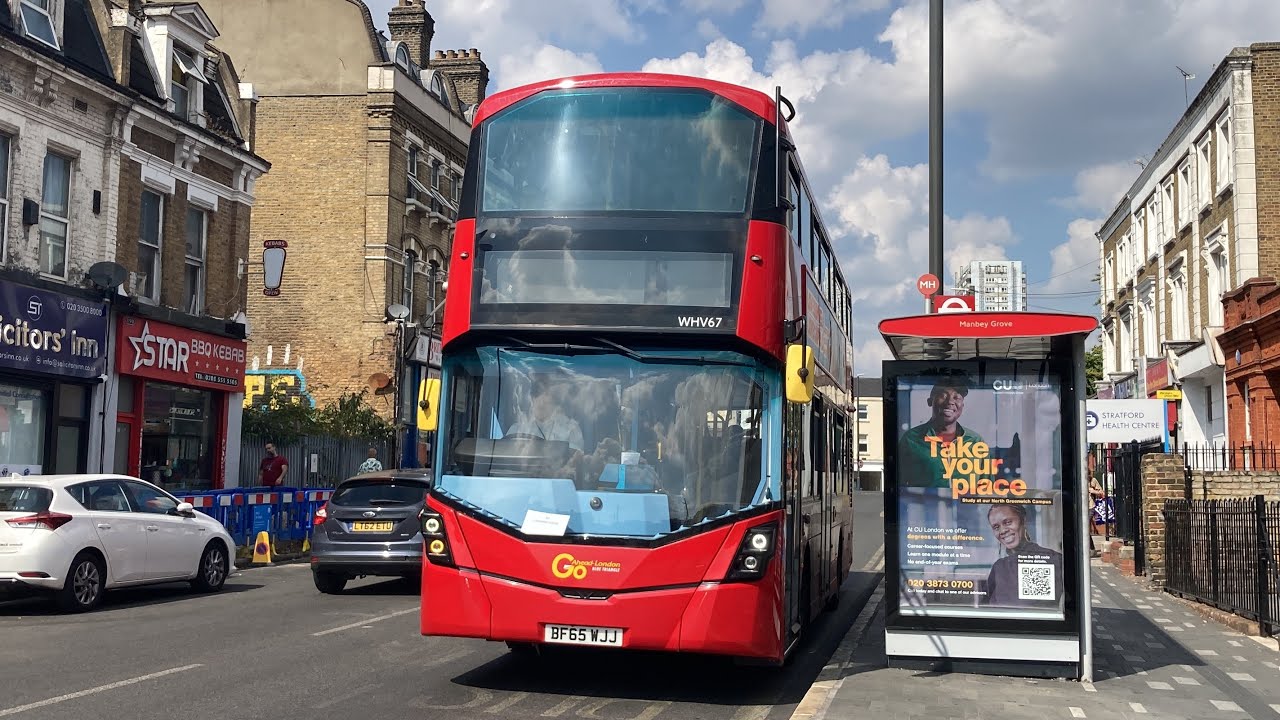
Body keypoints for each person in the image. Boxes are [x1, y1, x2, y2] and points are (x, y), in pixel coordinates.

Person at [897, 372, 984, 488]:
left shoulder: (976, 441)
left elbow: (987, 489)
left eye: (956, 397)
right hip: (924, 506)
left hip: (967, 506)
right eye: (943, 395)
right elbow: (898, 486)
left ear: (962, 406)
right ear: (930, 401)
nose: (950, 402)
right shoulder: (910, 439)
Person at [983, 503, 1064, 607]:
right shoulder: (999, 567)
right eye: (996, 527)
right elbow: (984, 605)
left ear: (1024, 520)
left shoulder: (1053, 559)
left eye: (1008, 522)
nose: (1002, 531)